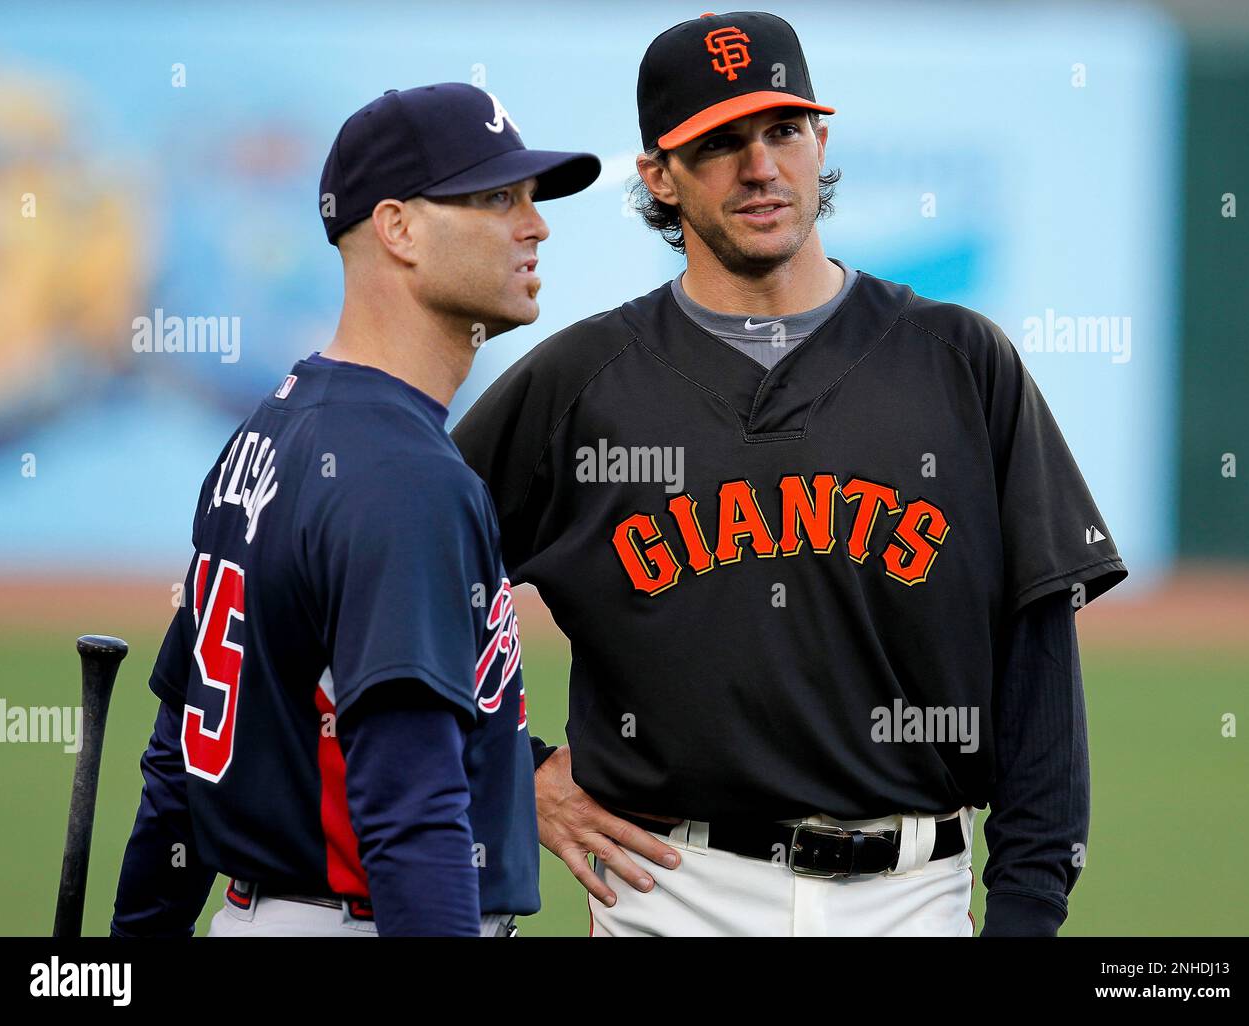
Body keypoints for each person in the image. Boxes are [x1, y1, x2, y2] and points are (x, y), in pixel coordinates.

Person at [451, 12, 1127, 936]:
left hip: (916, 893)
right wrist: (514, 768)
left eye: (781, 131)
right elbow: (401, 584)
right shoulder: (582, 384)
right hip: (672, 892)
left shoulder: (960, 361)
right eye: (717, 144)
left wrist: (1027, 906)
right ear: (658, 177)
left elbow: (1038, 656)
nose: (759, 166)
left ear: (821, 139)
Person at [110, 83, 599, 937]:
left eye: (529, 198)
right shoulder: (402, 476)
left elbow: (176, 765)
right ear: (398, 228)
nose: (536, 225)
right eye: (495, 198)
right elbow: (411, 816)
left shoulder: (267, 433)